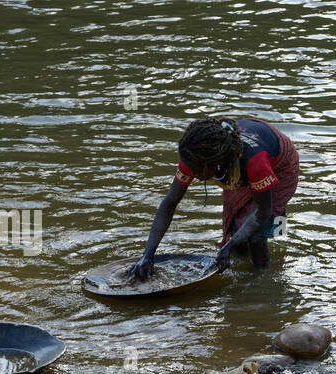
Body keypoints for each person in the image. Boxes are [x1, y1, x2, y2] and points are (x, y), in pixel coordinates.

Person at [128, 116, 299, 279]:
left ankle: (263, 280)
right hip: (239, 164)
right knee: (236, 228)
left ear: (214, 162)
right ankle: (240, 258)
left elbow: (263, 211)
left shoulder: (254, 162)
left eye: (196, 171)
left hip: (279, 164)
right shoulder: (193, 158)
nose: (192, 175)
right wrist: (147, 256)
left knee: (257, 237)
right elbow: (169, 205)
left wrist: (229, 246)